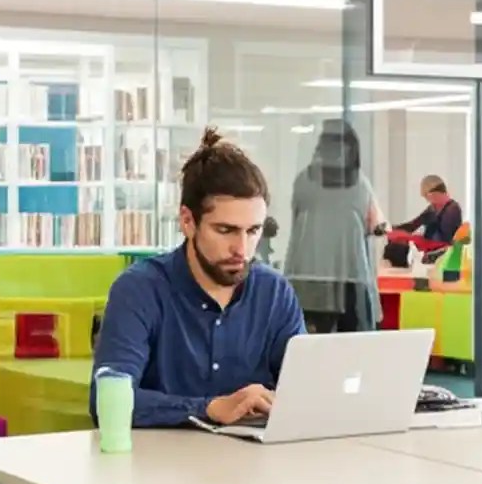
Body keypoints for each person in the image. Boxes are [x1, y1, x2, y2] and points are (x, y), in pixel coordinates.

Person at [90, 127, 306, 428]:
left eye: (253, 230)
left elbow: (305, 394)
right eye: (225, 230)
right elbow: (106, 402)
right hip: (159, 466)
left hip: (253, 463)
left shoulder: (275, 293)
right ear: (188, 221)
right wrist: (210, 408)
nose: (241, 249)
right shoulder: (139, 290)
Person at [283, 118, 385, 333]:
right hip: (350, 277)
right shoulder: (360, 183)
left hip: (306, 277)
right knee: (353, 352)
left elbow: (295, 216)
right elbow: (377, 224)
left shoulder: (303, 180)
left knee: (309, 349)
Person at [384, 175, 464, 266]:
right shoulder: (433, 208)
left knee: (401, 242)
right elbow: (412, 225)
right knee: (396, 243)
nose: (427, 200)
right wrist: (390, 229)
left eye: (427, 197)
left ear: (433, 194)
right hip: (431, 250)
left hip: (443, 253)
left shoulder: (452, 210)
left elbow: (445, 241)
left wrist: (412, 238)